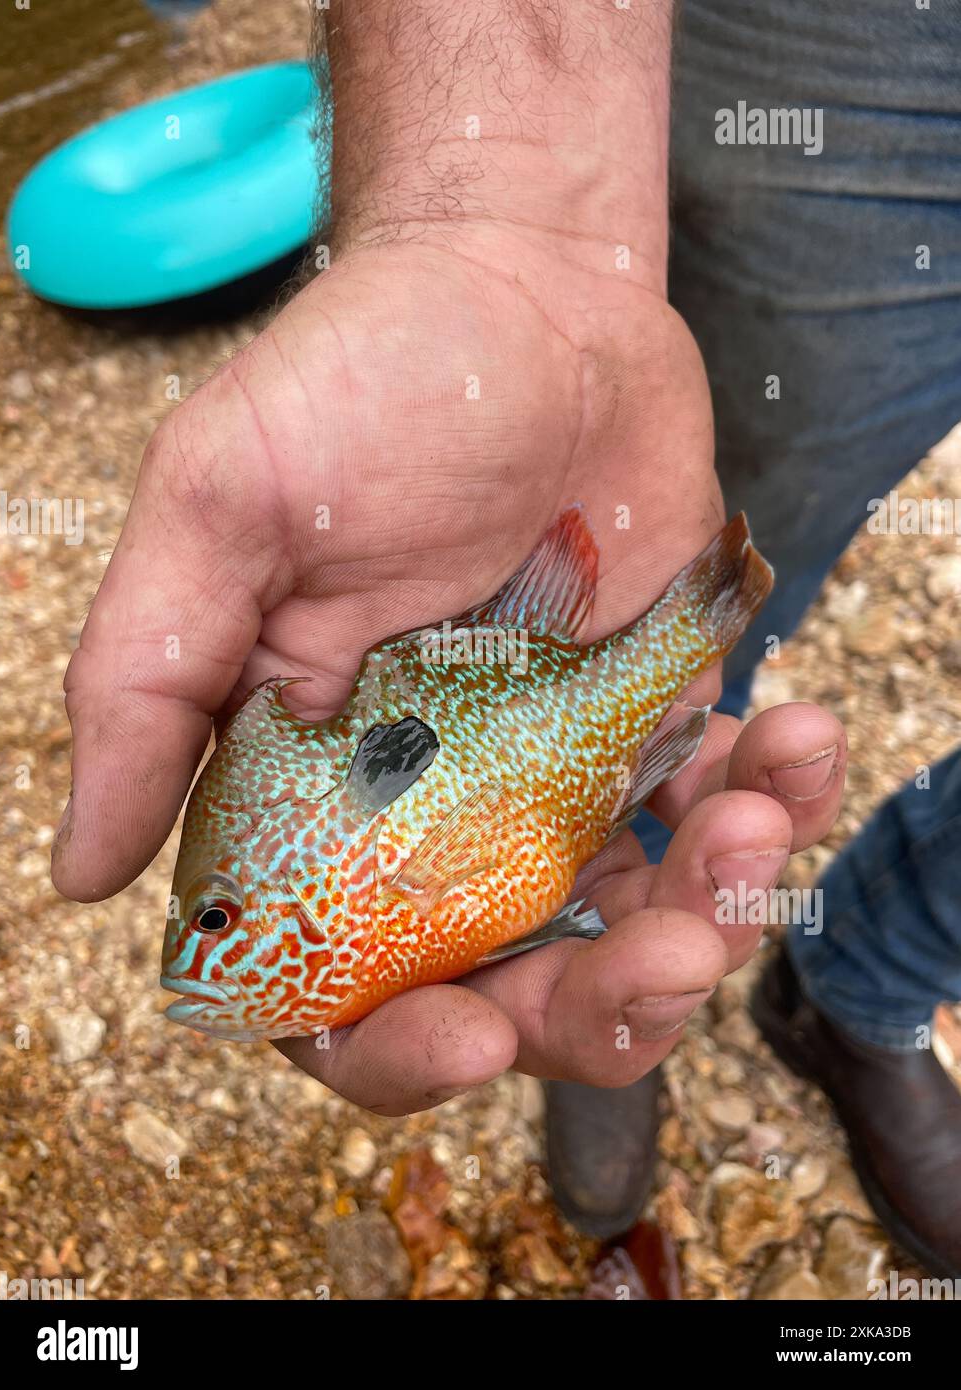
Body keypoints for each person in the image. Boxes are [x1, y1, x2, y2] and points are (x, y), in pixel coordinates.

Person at [48, 1, 954, 1279]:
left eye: (215, 925)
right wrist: (504, 231)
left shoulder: (316, 883)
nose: (203, 965)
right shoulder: (314, 911)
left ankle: (858, 960)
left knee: (770, 529)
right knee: (761, 446)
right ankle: (734, 922)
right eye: (206, 925)